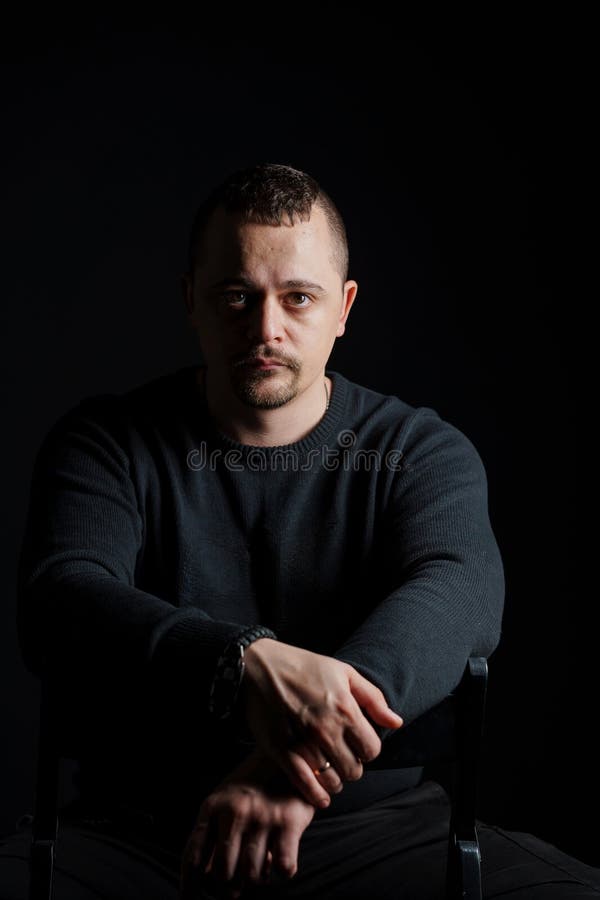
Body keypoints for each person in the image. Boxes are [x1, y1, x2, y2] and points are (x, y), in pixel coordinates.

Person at [2, 163, 598, 899]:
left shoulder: (420, 451)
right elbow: (62, 596)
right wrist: (243, 665)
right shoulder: (106, 443)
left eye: (299, 298)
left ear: (343, 308)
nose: (266, 329)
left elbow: (461, 589)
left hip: (378, 832)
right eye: (236, 297)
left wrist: (292, 766)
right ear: (192, 299)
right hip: (139, 834)